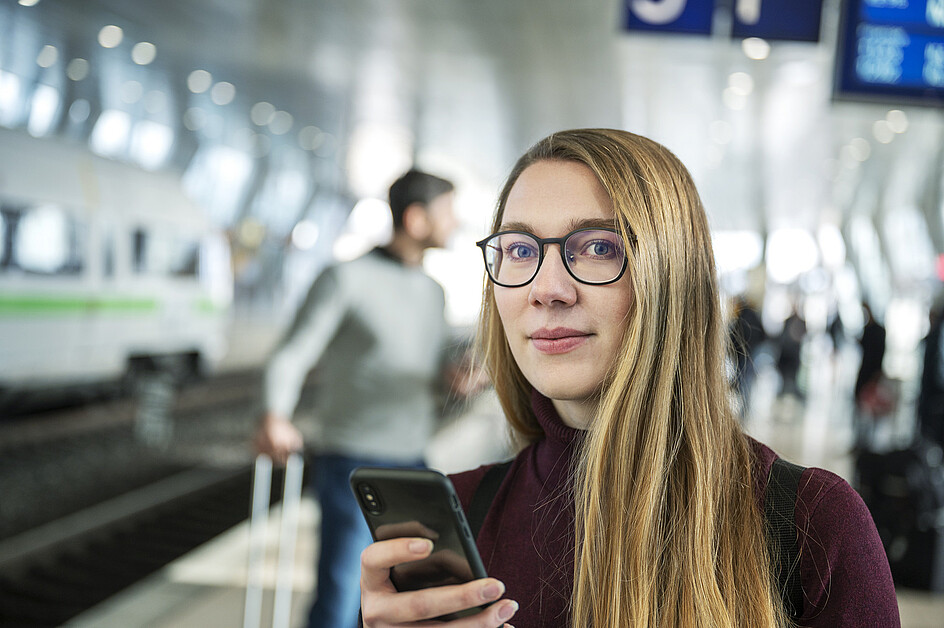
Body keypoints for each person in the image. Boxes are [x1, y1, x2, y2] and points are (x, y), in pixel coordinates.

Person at [358, 129, 898, 627]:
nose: (547, 289)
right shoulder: (461, 523)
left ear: (675, 277)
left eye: (597, 248)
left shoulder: (811, 525)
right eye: (520, 250)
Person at [256, 169, 477, 628]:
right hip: (352, 462)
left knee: (407, 597)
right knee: (342, 590)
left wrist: (454, 379)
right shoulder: (344, 279)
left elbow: (428, 368)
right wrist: (275, 415)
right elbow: (291, 354)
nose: (455, 224)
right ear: (416, 219)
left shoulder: (433, 293)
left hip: (415, 462)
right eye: (448, 212)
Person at [728, 294, 766, 416]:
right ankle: (745, 409)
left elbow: (736, 337)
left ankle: (744, 410)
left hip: (745, 354)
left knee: (743, 380)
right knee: (746, 380)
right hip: (750, 354)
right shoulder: (752, 316)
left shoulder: (743, 317)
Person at [775, 304, 806, 400]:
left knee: (793, 374)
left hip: (794, 353)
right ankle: (783, 390)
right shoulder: (788, 320)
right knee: (784, 374)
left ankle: (793, 391)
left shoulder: (802, 322)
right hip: (786, 352)